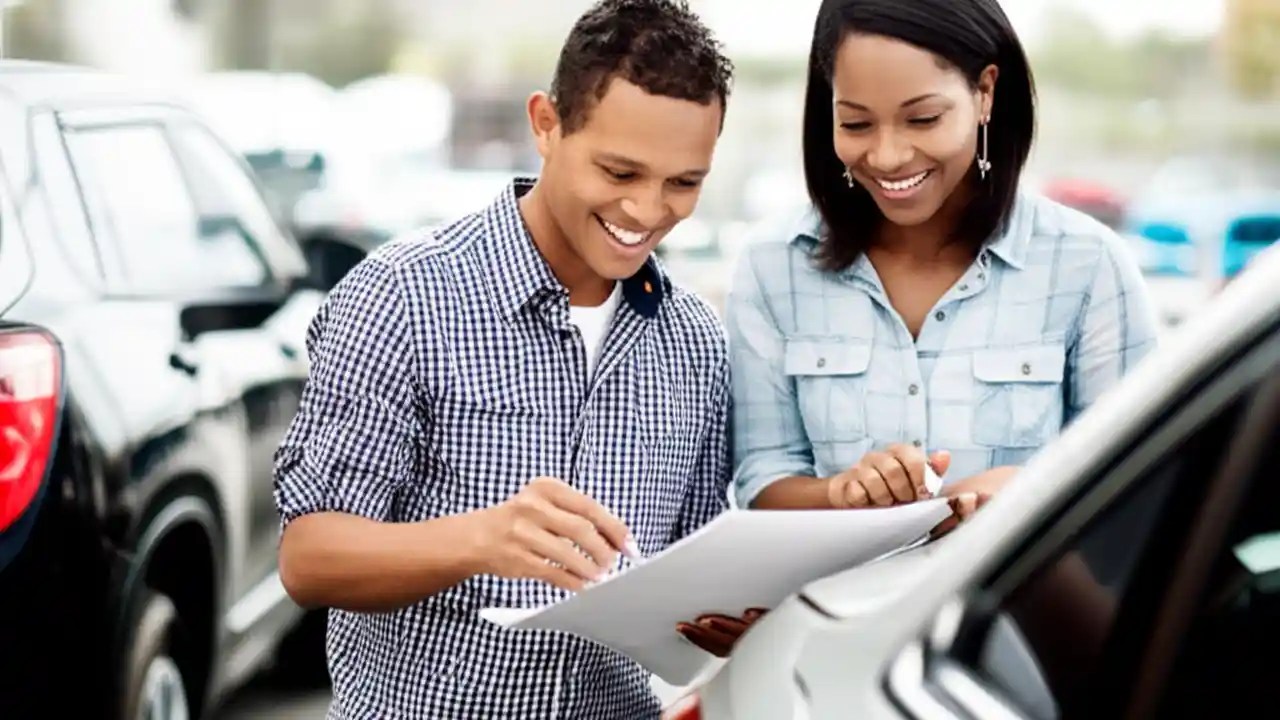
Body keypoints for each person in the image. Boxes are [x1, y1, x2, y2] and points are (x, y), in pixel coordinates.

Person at [272, 1, 735, 717]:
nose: (647, 210)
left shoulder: (697, 344)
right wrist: (480, 540)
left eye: (684, 183)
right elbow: (309, 559)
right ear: (546, 125)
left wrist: (725, 620)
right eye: (619, 171)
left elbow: (690, 584)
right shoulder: (401, 296)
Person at [677, 0, 1160, 657]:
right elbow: (764, 480)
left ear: (985, 93)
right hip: (838, 658)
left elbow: (1145, 496)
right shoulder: (773, 265)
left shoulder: (1088, 265)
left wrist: (1028, 492)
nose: (887, 155)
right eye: (855, 122)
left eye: (923, 118)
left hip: (1024, 657)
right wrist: (843, 496)